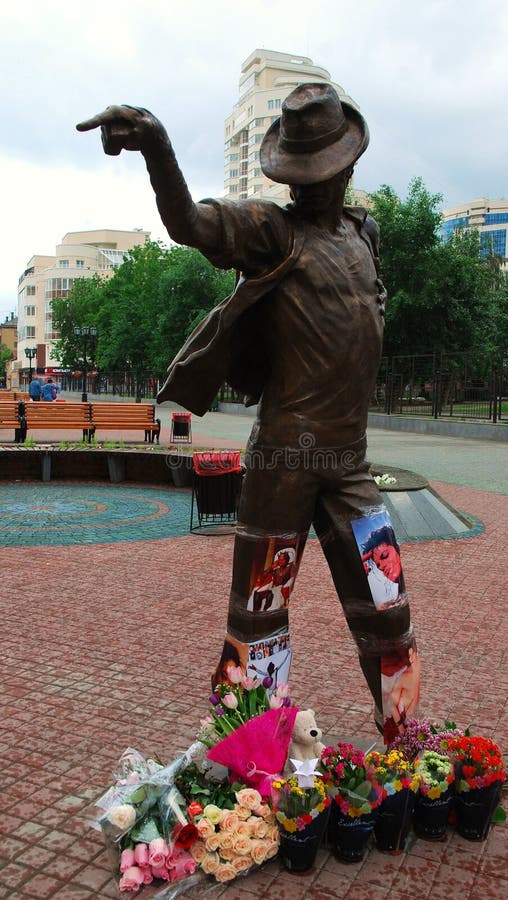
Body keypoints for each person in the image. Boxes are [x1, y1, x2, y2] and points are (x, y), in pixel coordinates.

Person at [77, 83, 420, 740]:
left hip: (349, 465)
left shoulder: (363, 233)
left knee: (388, 603)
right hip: (284, 461)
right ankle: (252, 750)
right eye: (302, 173)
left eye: (325, 171)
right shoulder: (271, 229)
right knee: (259, 614)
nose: (313, 185)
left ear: (348, 167)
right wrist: (157, 148)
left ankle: (408, 739)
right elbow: (191, 226)